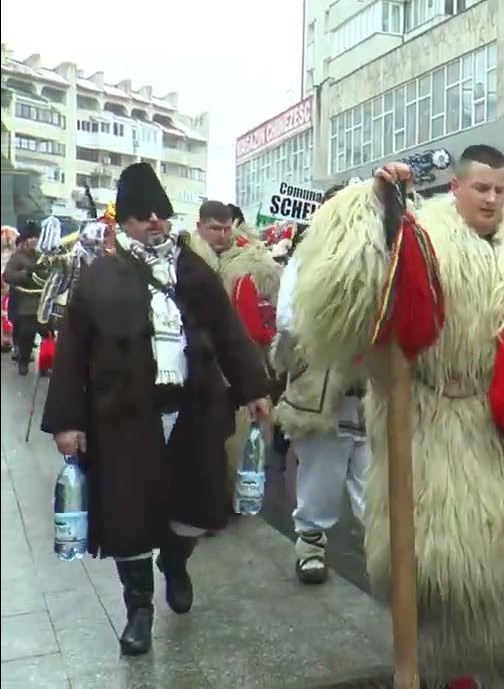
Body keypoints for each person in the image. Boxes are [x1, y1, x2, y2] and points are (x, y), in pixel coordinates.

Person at [289, 144, 504, 685]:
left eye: (499, 189)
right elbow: (346, 298)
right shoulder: (419, 241)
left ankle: (475, 669)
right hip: (428, 430)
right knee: (430, 570)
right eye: (480, 188)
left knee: (498, 571)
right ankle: (436, 669)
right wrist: (373, 206)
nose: (491, 199)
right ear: (457, 188)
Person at [40, 162, 272, 657]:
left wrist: (254, 387)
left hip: (192, 408)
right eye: (143, 215)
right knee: (129, 509)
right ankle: (139, 610)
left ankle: (176, 561)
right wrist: (67, 421)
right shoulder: (99, 276)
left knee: (193, 502)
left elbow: (230, 333)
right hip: (123, 414)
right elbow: (74, 351)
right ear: (123, 220)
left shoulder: (194, 269)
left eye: (160, 214)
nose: (154, 223)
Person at [271, 186, 371, 585]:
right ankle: (310, 545)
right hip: (322, 387)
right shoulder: (306, 256)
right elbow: (288, 319)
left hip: (370, 387)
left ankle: (387, 551)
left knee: (375, 478)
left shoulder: (378, 255)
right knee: (321, 475)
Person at [188, 200, 282, 504]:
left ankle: (232, 500)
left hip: (241, 364)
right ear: (200, 225)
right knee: (199, 442)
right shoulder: (183, 258)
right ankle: (202, 502)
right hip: (194, 364)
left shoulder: (253, 261)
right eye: (215, 228)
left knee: (241, 438)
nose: (222, 235)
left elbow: (275, 302)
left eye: (227, 228)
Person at [2, 221, 44, 375]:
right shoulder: (17, 256)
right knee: (27, 332)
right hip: (24, 301)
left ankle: (46, 364)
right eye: (32, 237)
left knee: (48, 334)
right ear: (26, 239)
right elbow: (8, 276)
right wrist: (26, 273)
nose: (34, 240)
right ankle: (23, 361)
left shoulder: (42, 256)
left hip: (41, 300)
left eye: (37, 237)